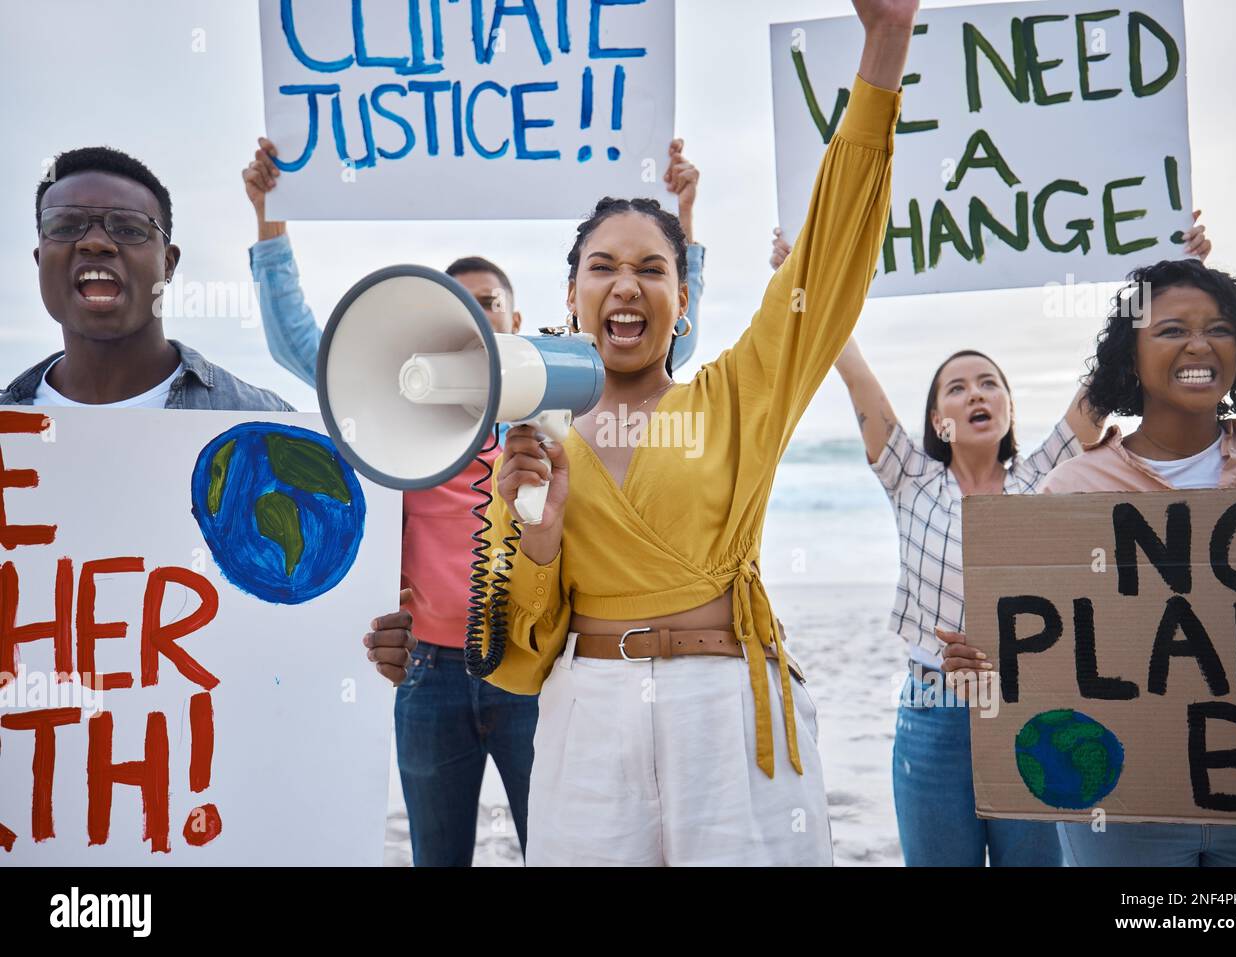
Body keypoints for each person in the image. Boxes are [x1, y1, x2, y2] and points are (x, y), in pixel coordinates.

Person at [472, 0, 919, 866]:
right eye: (602, 267)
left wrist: (885, 43)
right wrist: (538, 530)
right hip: (586, 718)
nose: (626, 285)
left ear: (683, 298)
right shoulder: (534, 434)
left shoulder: (737, 394)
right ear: (571, 296)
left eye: (653, 268)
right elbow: (518, 654)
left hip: (728, 710)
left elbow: (831, 254)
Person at [240, 137, 707, 866]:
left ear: (517, 321)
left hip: (533, 662)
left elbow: (665, 344)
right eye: (459, 309)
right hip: (428, 672)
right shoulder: (399, 403)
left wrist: (683, 219)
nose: (478, 320)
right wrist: (271, 220)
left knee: (555, 847)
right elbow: (306, 345)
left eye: (488, 305)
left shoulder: (565, 402)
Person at [771, 211, 1211, 865]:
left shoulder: (1047, 472)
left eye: (989, 383)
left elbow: (1117, 374)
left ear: (1007, 406)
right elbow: (851, 364)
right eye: (957, 385)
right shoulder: (909, 476)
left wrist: (1181, 280)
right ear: (936, 418)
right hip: (931, 708)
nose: (975, 391)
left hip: (1030, 703)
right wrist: (802, 280)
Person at [944, 258, 1236, 866]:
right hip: (1124, 817)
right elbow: (1048, 655)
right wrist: (981, 664)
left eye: (1219, 328)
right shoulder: (1070, 491)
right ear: (1130, 358)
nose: (1198, 343)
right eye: (1170, 330)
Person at [2, 147, 290, 413]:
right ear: (40, 261)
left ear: (168, 264)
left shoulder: (261, 423)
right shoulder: (9, 421)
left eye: (129, 229)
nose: (95, 243)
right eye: (65, 227)